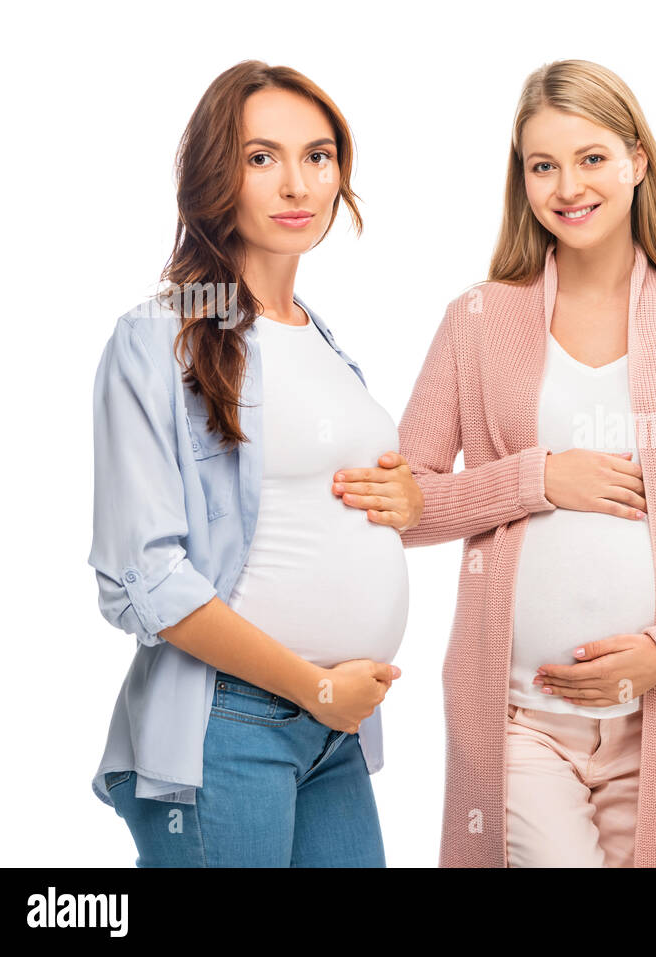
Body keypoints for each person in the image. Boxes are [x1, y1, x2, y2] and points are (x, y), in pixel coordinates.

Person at [393, 59, 656, 866]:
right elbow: (406, 502)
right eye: (542, 165)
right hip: (520, 716)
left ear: (638, 161)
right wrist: (537, 477)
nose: (568, 186)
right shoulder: (479, 319)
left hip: (655, 719)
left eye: (591, 157)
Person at [88, 60, 419, 867]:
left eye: (319, 155)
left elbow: (316, 501)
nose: (297, 182)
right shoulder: (157, 337)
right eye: (261, 156)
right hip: (227, 727)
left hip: (332, 730)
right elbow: (145, 576)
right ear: (214, 173)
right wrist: (311, 685)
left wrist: (408, 502)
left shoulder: (322, 338)